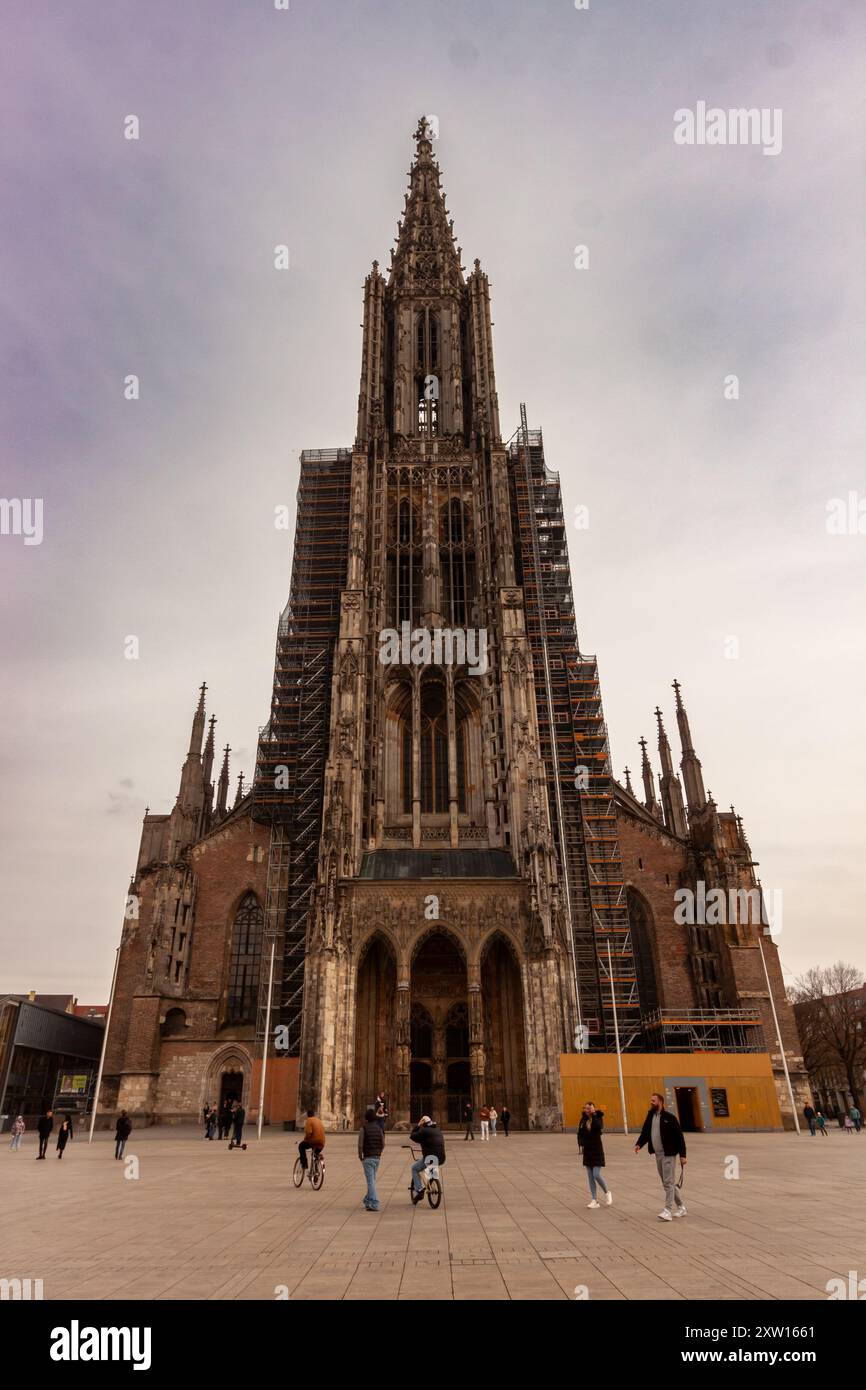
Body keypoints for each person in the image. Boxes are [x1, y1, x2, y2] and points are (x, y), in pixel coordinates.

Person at [634, 1091, 687, 1220]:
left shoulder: (670, 1117)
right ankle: (681, 1207)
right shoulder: (650, 1116)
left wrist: (683, 1155)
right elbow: (645, 1132)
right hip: (658, 1155)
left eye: (653, 1101)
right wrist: (639, 1144)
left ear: (660, 1102)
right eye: (651, 1100)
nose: (651, 1103)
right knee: (667, 1183)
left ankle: (668, 1211)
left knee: (668, 1182)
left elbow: (680, 1137)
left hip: (668, 1154)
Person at [577, 1101, 612, 1208]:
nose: (587, 1110)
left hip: (596, 1149)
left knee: (596, 1174)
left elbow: (598, 1127)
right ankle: (594, 1200)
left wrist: (594, 1114)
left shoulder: (598, 1117)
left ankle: (607, 1192)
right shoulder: (583, 1119)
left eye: (589, 1108)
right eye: (586, 1108)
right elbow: (580, 1132)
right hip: (587, 1150)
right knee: (590, 1176)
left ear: (593, 1109)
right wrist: (581, 1143)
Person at [409, 1115, 446, 1203]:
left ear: (423, 1123)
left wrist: (418, 1125)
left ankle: (419, 1190)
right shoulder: (437, 1130)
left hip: (430, 1157)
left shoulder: (424, 1131)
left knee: (414, 1168)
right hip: (441, 1157)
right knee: (431, 1169)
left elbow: (412, 1136)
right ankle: (433, 1180)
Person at [358, 1104, 384, 1211]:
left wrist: (361, 1156)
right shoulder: (379, 1129)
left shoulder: (363, 1129)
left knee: (370, 1181)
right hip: (377, 1157)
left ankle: (374, 1203)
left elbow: (360, 1145)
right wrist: (379, 1152)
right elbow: (383, 1143)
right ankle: (368, 1200)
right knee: (372, 1180)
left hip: (368, 1157)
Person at [297, 1107, 325, 1172]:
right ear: (314, 1114)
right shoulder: (318, 1120)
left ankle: (304, 1164)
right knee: (315, 1155)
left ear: (307, 1115)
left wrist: (305, 1139)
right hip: (322, 1143)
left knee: (301, 1146)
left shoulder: (309, 1120)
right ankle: (315, 1170)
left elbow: (308, 1133)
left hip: (313, 1142)